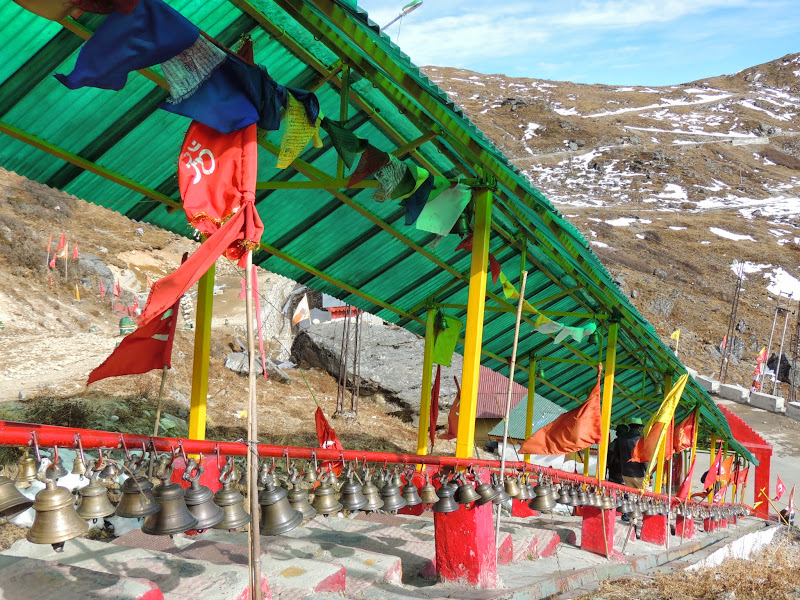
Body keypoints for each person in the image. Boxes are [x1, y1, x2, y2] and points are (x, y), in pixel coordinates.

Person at [618, 418, 647, 489]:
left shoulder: (621, 439)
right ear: (639, 428)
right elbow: (644, 459)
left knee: (631, 497)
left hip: (625, 473)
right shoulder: (640, 440)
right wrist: (650, 476)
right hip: (638, 474)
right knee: (647, 497)